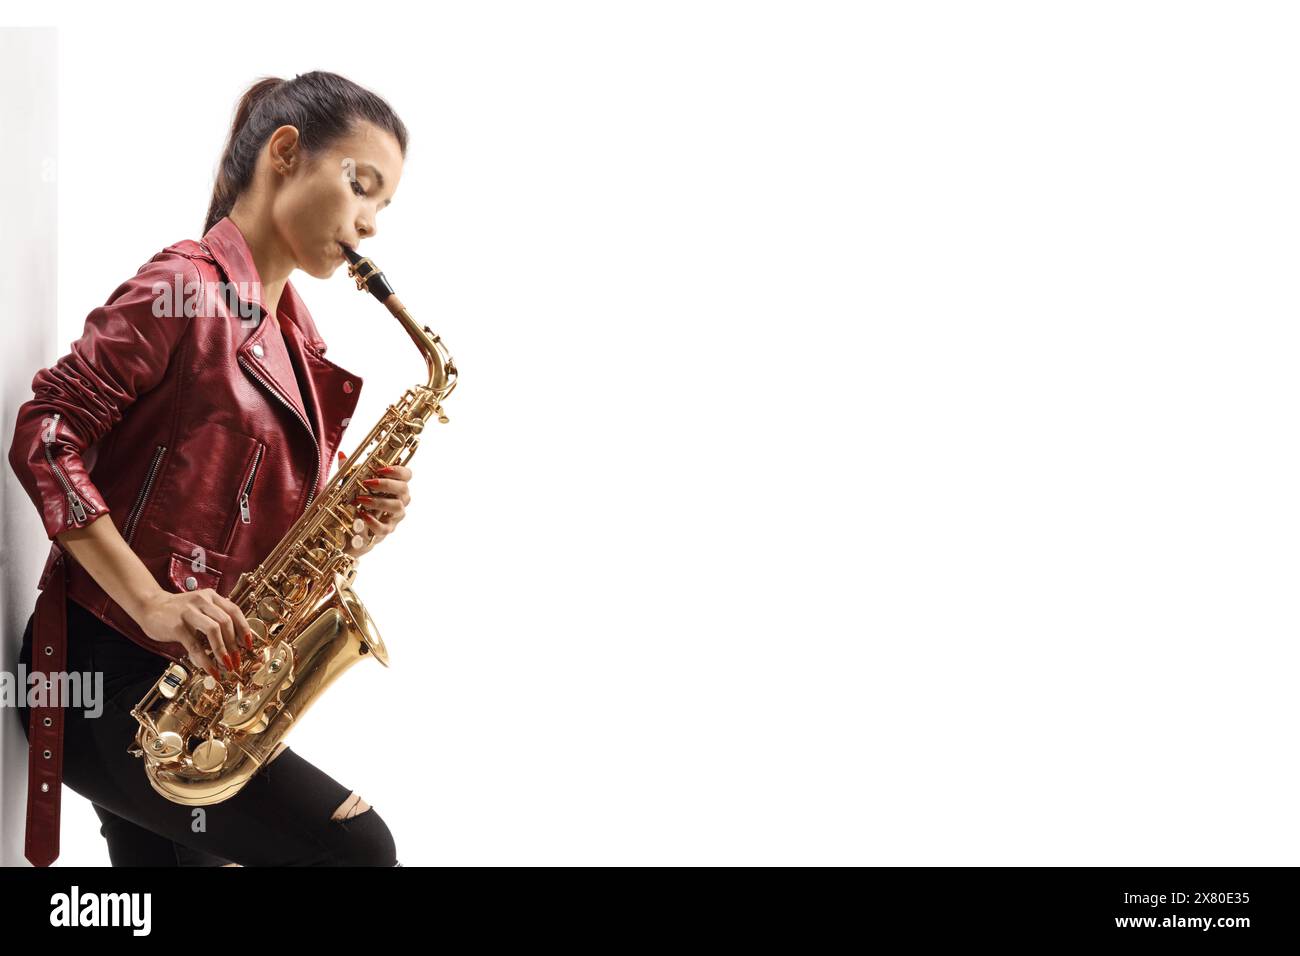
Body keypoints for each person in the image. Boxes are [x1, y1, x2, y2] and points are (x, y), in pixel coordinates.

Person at [8, 71, 413, 866]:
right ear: (286, 153)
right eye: (361, 186)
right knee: (358, 849)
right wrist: (154, 604)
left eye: (384, 207)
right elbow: (47, 431)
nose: (368, 225)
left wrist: (349, 526)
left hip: (190, 694)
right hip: (100, 678)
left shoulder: (299, 342)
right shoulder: (182, 288)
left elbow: (246, 538)